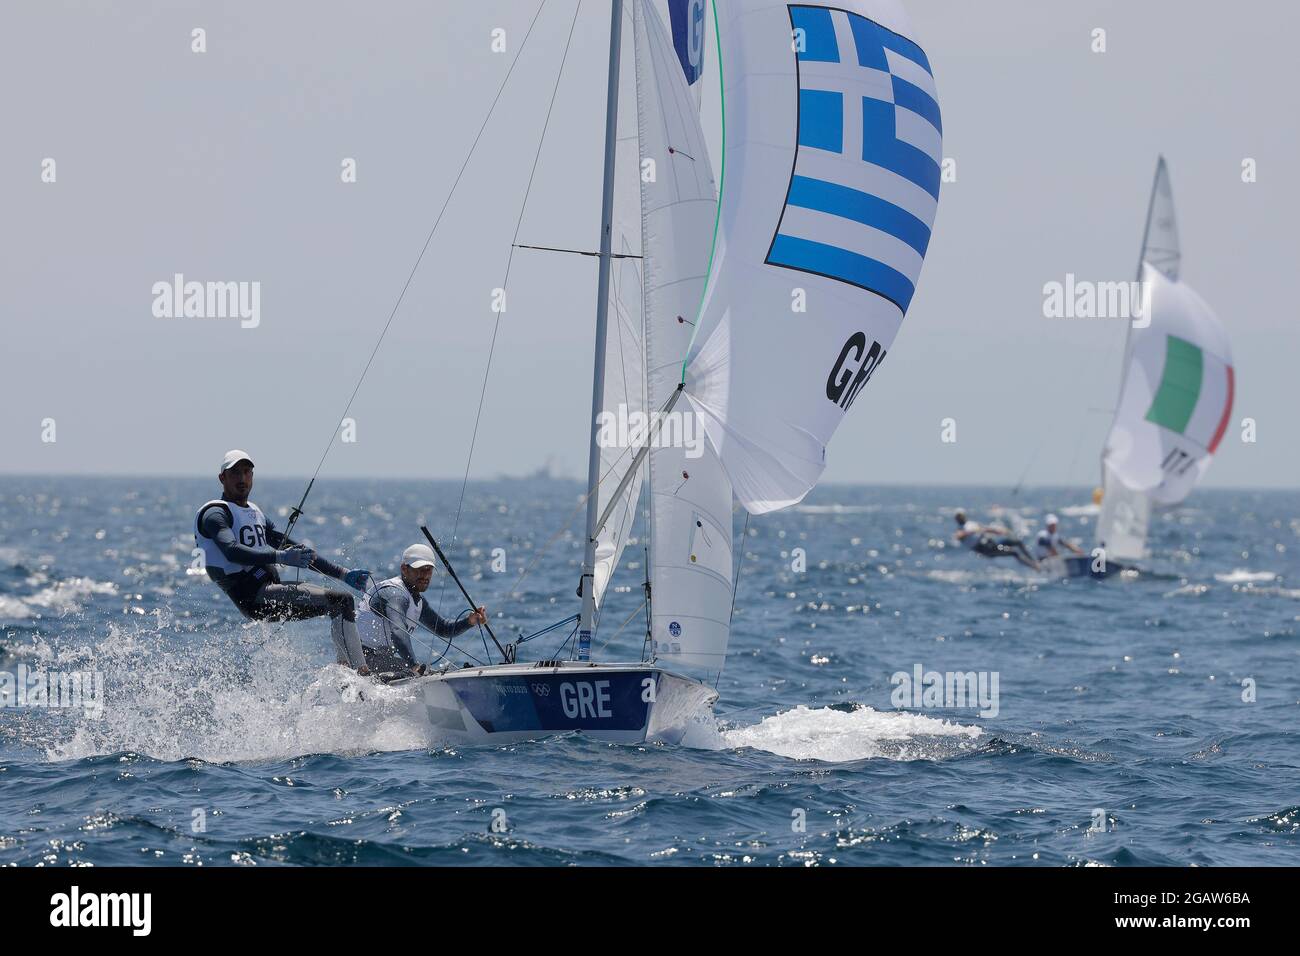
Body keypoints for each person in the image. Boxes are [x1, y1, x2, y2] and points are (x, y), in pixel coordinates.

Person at [194, 450, 373, 673]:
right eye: (235, 473)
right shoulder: (215, 514)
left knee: (340, 604)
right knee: (341, 601)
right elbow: (231, 551)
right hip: (254, 597)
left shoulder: (254, 513)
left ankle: (346, 675)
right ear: (222, 478)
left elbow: (294, 549)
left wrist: (343, 574)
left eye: (247, 472)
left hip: (270, 590)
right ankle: (362, 676)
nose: (242, 479)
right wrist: (281, 557)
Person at [355, 544, 488, 677]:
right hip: (360, 659)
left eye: (428, 570)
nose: (425, 575)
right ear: (404, 569)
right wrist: (414, 665)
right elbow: (397, 630)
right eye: (419, 569)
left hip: (377, 660)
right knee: (417, 674)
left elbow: (442, 628)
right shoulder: (395, 594)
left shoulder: (416, 599)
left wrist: (470, 621)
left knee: (427, 673)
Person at [953, 509, 1037, 569]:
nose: (961, 518)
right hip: (986, 550)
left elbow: (985, 529)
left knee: (1017, 542)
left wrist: (999, 531)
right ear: (957, 519)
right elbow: (958, 536)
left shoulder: (971, 523)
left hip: (993, 545)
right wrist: (972, 531)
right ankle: (1034, 567)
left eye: (962, 516)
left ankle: (1034, 561)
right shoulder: (959, 529)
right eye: (959, 517)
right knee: (1013, 552)